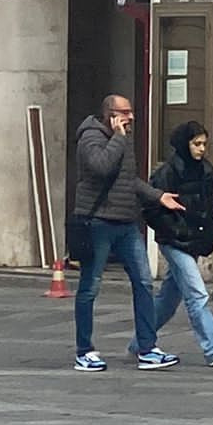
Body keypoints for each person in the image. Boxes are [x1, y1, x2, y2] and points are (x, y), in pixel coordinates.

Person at [71, 93, 185, 372]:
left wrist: (157, 196)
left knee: (143, 281)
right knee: (90, 287)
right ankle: (84, 351)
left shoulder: (122, 138)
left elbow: (126, 179)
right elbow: (101, 167)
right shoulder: (90, 137)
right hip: (96, 222)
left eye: (131, 112)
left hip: (125, 223)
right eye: (125, 112)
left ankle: (147, 348)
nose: (131, 117)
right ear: (110, 114)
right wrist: (119, 138)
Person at [145, 121, 213, 368]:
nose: (201, 149)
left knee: (167, 300)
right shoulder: (168, 173)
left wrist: (207, 232)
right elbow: (152, 208)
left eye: (204, 144)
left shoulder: (207, 171)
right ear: (185, 144)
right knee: (197, 292)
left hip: (193, 240)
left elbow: (209, 208)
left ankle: (140, 342)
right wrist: (173, 229)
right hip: (173, 241)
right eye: (196, 144)